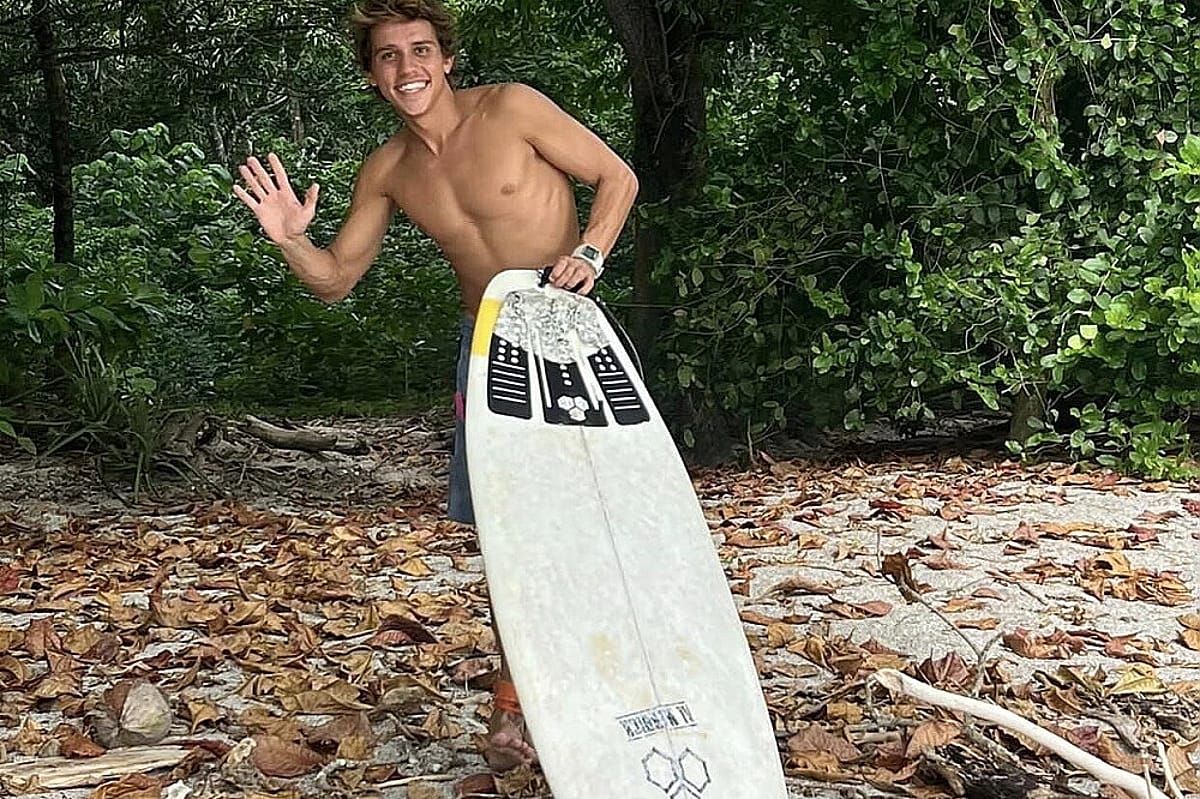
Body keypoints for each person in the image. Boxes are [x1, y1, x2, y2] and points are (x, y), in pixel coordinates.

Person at [232, 0, 639, 773]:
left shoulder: (512, 108)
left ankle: (625, 680)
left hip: (569, 328)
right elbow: (335, 279)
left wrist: (590, 250)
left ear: (446, 58)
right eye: (388, 56)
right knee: (510, 533)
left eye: (421, 50)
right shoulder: (388, 169)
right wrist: (291, 240)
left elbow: (616, 176)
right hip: (488, 348)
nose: (407, 67)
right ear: (371, 75)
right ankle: (517, 702)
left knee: (604, 513)